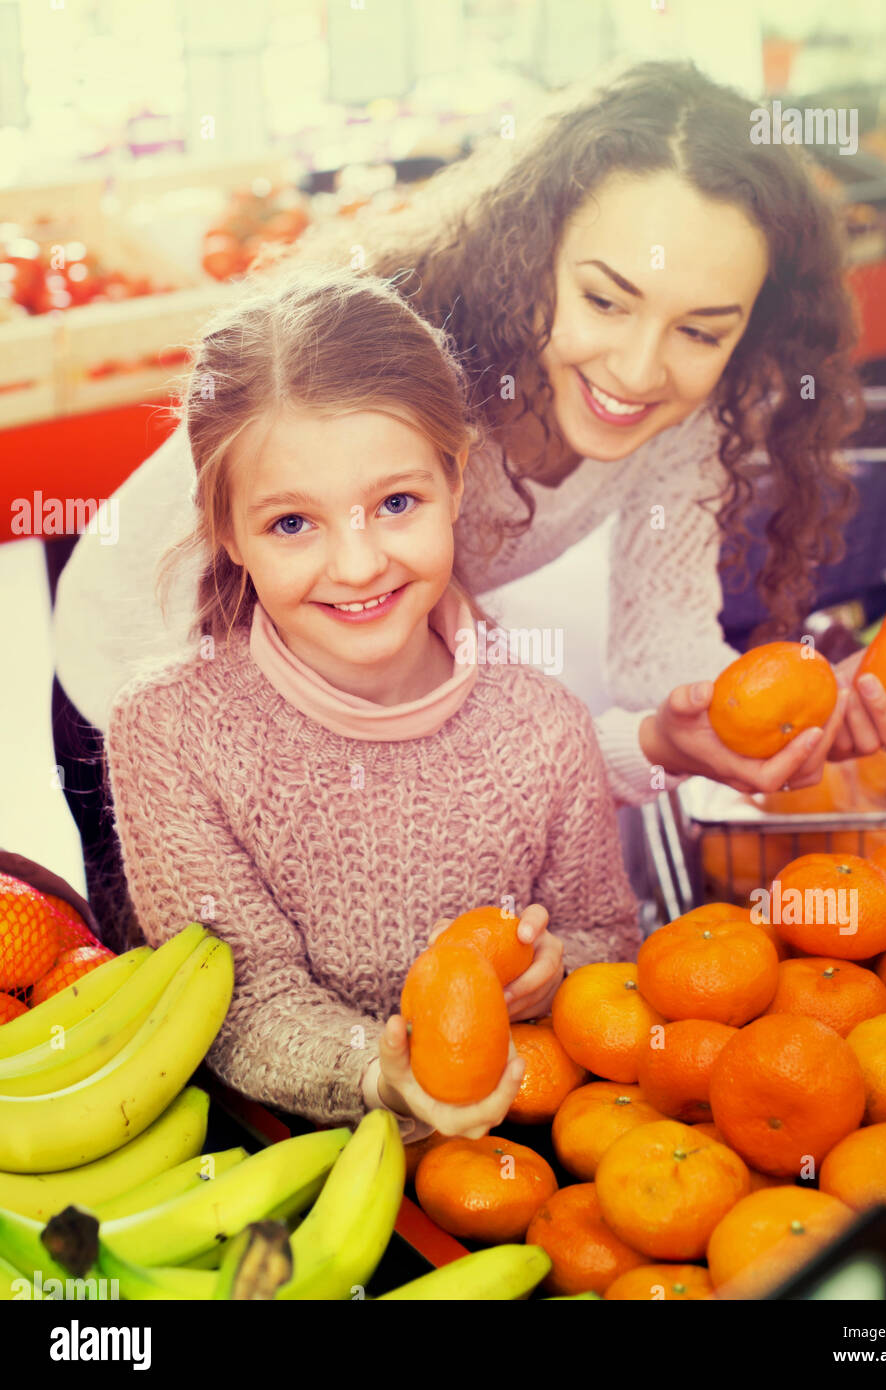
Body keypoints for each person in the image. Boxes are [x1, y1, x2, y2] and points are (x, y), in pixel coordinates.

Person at [53, 59, 886, 927]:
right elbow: (377, 761)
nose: (639, 370)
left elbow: (662, 652)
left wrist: (787, 709)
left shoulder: (692, 417)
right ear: (534, 253)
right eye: (605, 301)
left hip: (340, 663)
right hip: (146, 664)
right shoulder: (405, 362)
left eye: (700, 330)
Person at [103, 263, 644, 1140]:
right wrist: (379, 1075)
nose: (357, 567)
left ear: (455, 480)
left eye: (396, 502)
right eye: (292, 523)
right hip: (293, 1171)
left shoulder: (544, 725)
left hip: (510, 1164)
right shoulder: (172, 733)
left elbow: (605, 935)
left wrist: (557, 972)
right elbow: (242, 1003)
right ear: (228, 531)